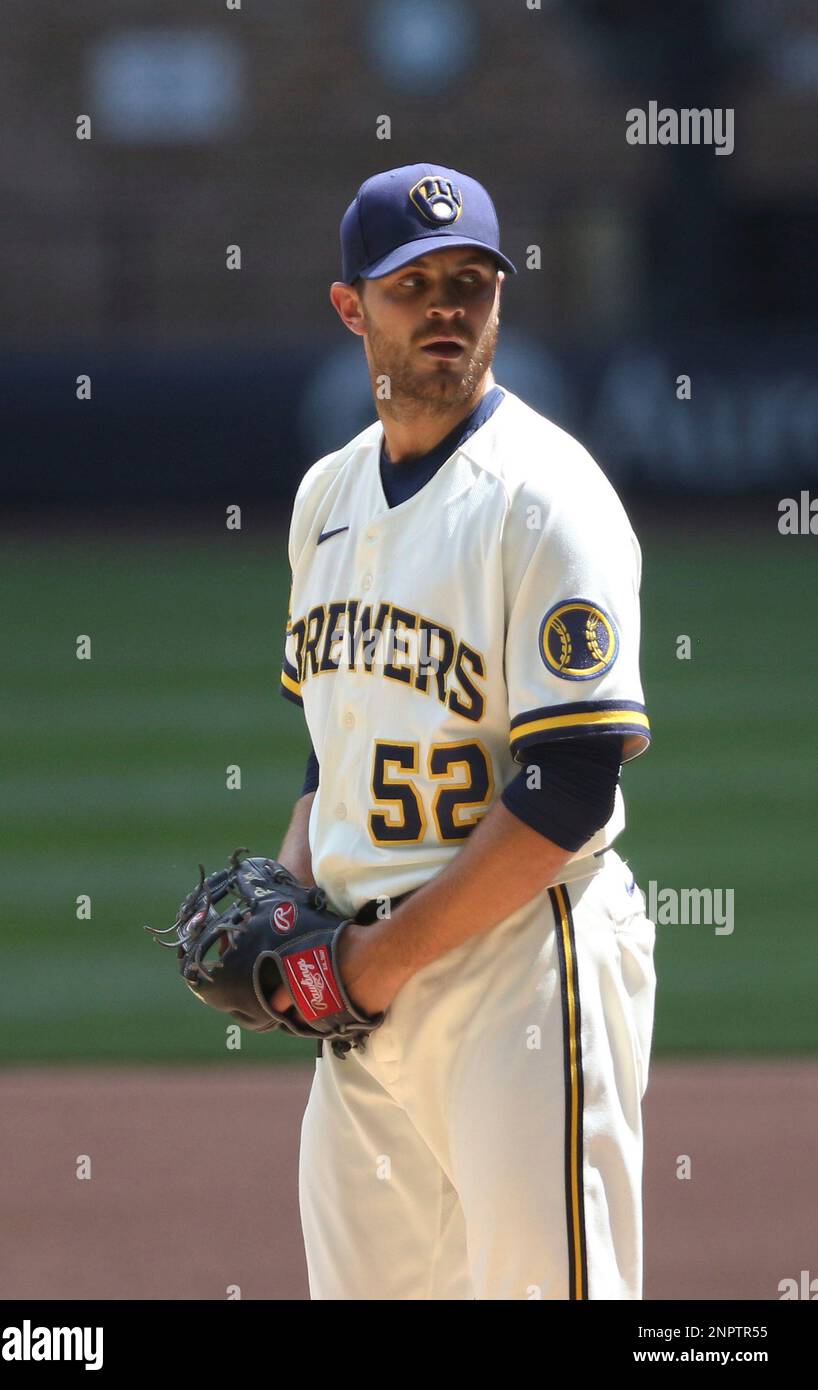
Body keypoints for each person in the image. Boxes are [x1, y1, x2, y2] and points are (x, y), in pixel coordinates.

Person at [272, 163, 656, 1300]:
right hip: (362, 993)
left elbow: (569, 785)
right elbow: (329, 746)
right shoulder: (324, 496)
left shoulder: (546, 496)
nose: (446, 306)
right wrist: (289, 902)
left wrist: (367, 964)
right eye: (412, 284)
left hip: (517, 970)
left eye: (470, 283)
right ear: (351, 308)